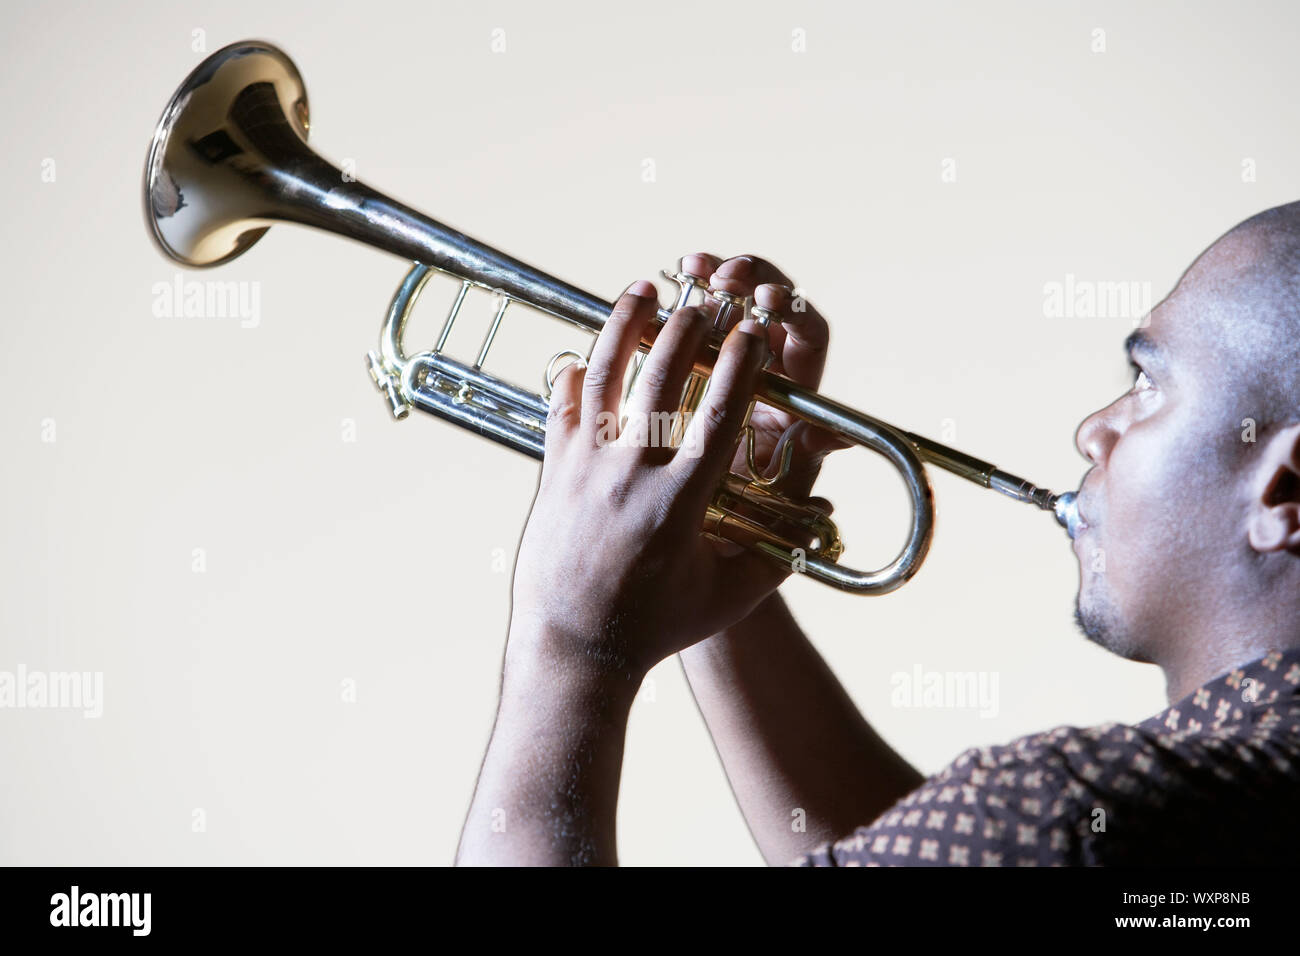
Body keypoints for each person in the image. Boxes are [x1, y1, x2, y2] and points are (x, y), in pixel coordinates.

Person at [454, 204, 1300, 866]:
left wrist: (572, 647)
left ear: (1284, 488)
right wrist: (724, 514)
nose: (1094, 432)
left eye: (1147, 383)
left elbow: (1016, 837)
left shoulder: (1058, 814)